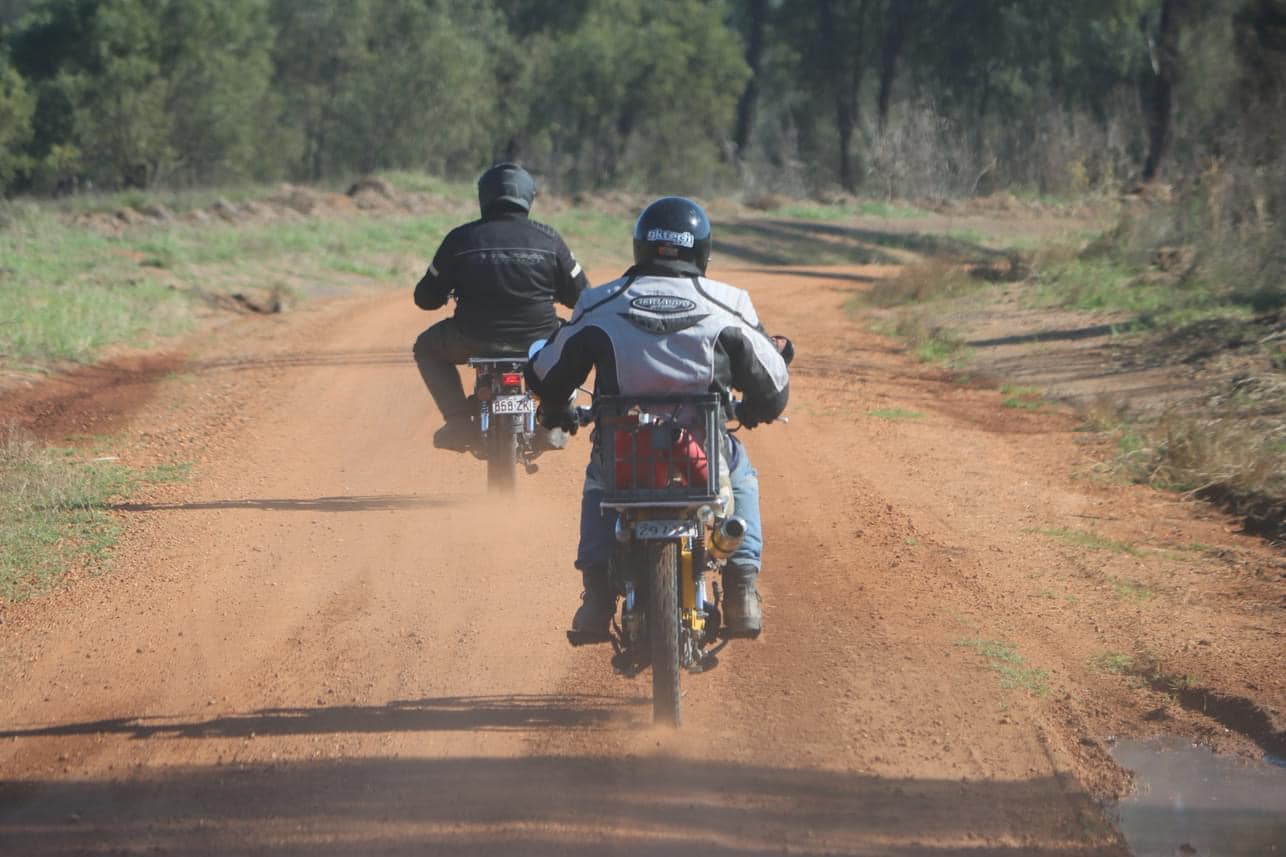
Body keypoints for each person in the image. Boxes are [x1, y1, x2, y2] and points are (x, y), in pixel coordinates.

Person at [527, 196, 791, 640]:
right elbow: (774, 387)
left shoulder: (600, 302)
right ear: (701, 250)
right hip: (703, 453)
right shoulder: (729, 302)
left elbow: (546, 374)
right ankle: (741, 588)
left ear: (640, 247)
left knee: (598, 484)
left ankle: (595, 598)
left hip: (624, 455)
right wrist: (755, 410)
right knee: (741, 476)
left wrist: (556, 408)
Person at [413, 162, 590, 451]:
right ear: (528, 197)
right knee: (575, 343)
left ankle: (458, 424)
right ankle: (555, 418)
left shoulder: (460, 239)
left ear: (484, 196)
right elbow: (583, 298)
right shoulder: (550, 240)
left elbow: (425, 299)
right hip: (539, 340)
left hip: (471, 338)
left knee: (425, 347)